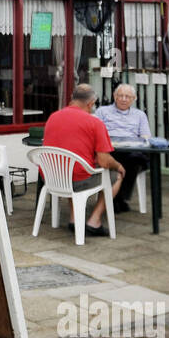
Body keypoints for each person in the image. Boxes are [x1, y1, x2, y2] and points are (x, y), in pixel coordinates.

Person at [41, 83, 124, 236]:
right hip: (76, 180)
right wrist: (118, 165)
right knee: (115, 175)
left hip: (53, 178)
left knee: (72, 167)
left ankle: (74, 220)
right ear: (91, 103)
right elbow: (105, 161)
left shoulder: (53, 117)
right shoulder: (94, 123)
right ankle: (94, 221)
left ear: (73, 99)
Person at [94, 83, 150, 212]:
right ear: (114, 96)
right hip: (110, 150)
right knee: (117, 159)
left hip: (131, 151)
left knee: (135, 159)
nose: (124, 99)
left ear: (134, 99)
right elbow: (95, 132)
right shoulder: (102, 111)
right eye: (121, 96)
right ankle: (116, 199)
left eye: (128, 96)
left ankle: (118, 198)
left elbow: (146, 136)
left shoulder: (140, 115)